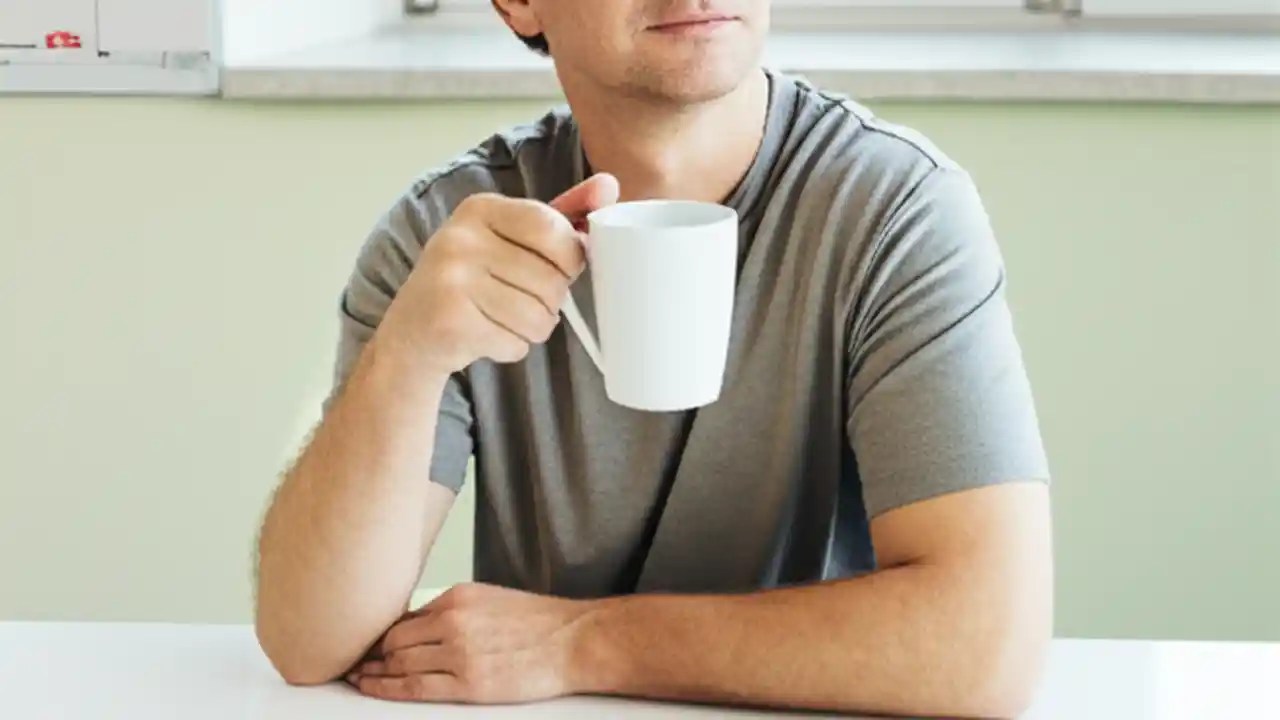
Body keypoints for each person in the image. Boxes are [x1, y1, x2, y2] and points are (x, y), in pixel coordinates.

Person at [253, 1, 1054, 716]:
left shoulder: (895, 213)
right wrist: (407, 357)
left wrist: (581, 644)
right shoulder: (452, 236)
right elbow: (307, 639)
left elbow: (986, 644)